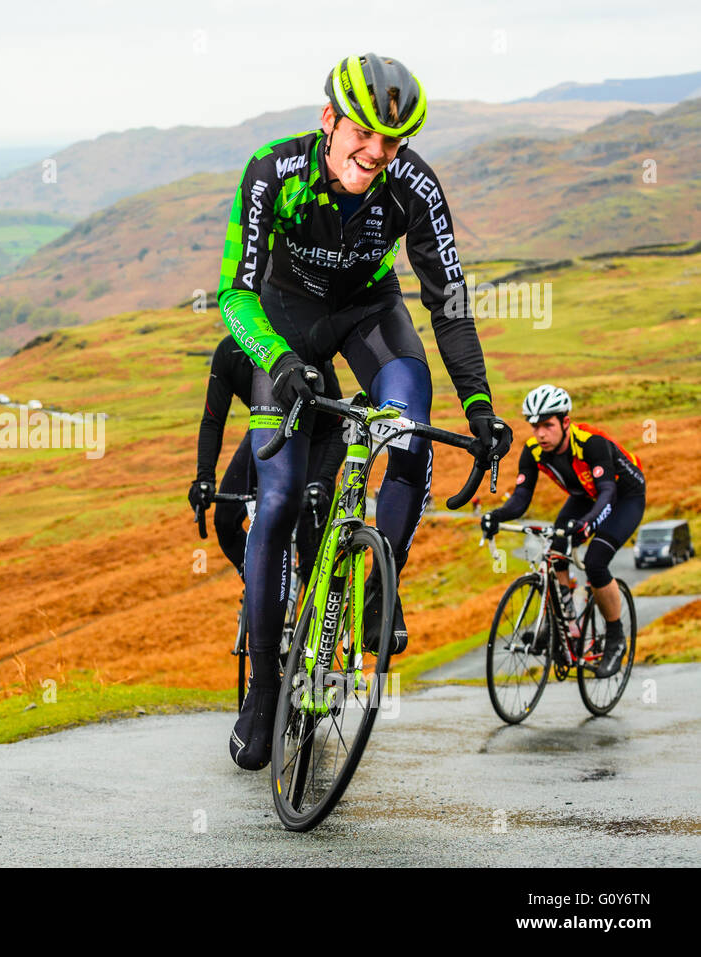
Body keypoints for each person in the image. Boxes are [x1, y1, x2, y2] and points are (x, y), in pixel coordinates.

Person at [216, 53, 512, 770]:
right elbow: (234, 292)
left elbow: (448, 301)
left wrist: (480, 406)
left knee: (409, 425)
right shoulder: (271, 172)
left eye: (395, 140)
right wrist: (277, 360)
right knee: (280, 496)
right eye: (366, 134)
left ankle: (381, 582)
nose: (378, 153)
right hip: (282, 321)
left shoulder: (412, 186)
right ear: (330, 120)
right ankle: (262, 693)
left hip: (367, 314)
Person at [480, 385, 645, 678]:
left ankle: (616, 638)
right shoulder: (533, 451)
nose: (540, 433)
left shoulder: (590, 443)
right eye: (535, 426)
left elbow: (607, 493)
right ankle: (564, 621)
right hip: (585, 494)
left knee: (595, 562)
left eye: (547, 425)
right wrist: (496, 515)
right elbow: (520, 499)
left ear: (565, 423)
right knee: (556, 550)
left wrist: (587, 524)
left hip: (624, 496)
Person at [188, 334, 345, 584]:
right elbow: (213, 421)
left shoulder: (302, 342)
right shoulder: (229, 353)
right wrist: (204, 478)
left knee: (309, 539)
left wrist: (321, 481)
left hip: (319, 435)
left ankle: (312, 610)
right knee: (225, 521)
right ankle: (259, 587)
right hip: (267, 431)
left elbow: (339, 424)